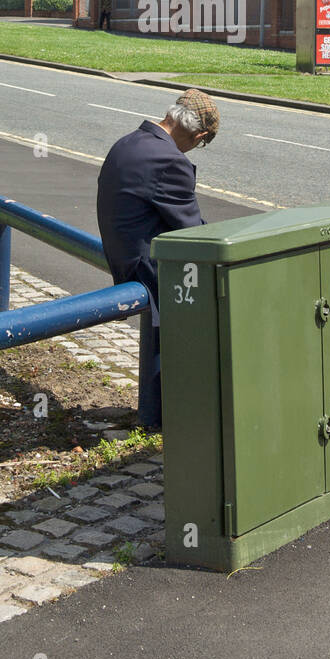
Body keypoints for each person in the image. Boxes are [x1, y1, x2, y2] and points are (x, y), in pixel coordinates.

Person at [96, 89, 220, 426]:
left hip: (120, 252)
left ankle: (163, 412)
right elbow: (192, 229)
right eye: (201, 144)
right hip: (145, 268)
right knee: (213, 301)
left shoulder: (130, 141)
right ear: (199, 135)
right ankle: (169, 415)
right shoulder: (171, 161)